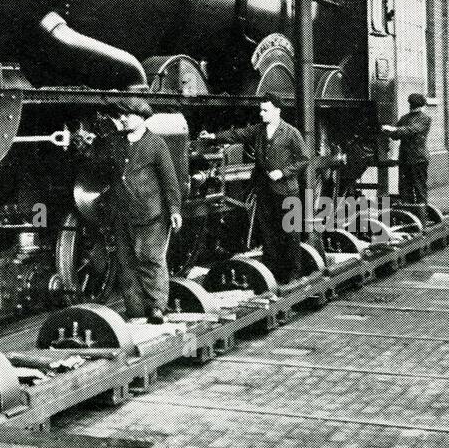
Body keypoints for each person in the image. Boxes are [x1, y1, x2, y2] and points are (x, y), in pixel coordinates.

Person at [199, 97, 309, 285]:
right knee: (268, 231)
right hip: (264, 190)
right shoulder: (258, 130)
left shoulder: (291, 133)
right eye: (261, 110)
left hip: (287, 191)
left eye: (265, 110)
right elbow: (237, 135)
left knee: (290, 232)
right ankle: (273, 271)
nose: (261, 113)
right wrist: (214, 137)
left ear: (277, 111)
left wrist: (282, 172)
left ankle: (294, 273)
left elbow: (304, 159)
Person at [106, 97, 182, 325]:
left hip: (151, 214)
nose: (123, 119)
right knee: (126, 262)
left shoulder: (156, 144)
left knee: (150, 259)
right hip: (123, 212)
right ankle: (136, 310)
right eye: (122, 115)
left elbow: (170, 180)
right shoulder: (116, 142)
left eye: (128, 115)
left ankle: (157, 307)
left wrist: (175, 210)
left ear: (142, 117)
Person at [381, 93, 431, 218]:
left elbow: (411, 130)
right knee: (405, 189)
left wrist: (393, 130)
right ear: (422, 105)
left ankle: (421, 219)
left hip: (418, 159)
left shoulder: (424, 119)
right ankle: (410, 218)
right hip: (406, 159)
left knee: (418, 189)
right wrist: (387, 130)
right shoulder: (405, 118)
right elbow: (396, 135)